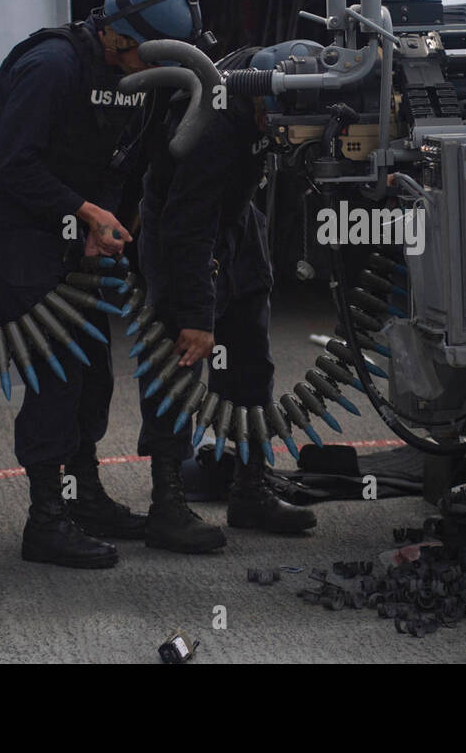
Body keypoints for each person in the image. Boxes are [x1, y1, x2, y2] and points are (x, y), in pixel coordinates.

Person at [0, 0, 207, 569]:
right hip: (14, 241)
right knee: (60, 369)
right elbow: (4, 160)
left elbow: (129, 167)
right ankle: (44, 521)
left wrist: (110, 225)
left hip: (79, 243)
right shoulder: (52, 66)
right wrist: (81, 210)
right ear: (118, 38)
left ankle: (83, 495)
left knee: (93, 372)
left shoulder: (141, 78)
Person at [135, 43, 317, 553]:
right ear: (255, 98)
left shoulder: (291, 82)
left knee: (250, 366)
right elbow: (186, 226)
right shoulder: (209, 127)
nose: (272, 130)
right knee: (176, 369)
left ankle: (250, 489)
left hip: (238, 223)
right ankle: (166, 506)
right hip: (184, 235)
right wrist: (194, 314)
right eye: (268, 120)